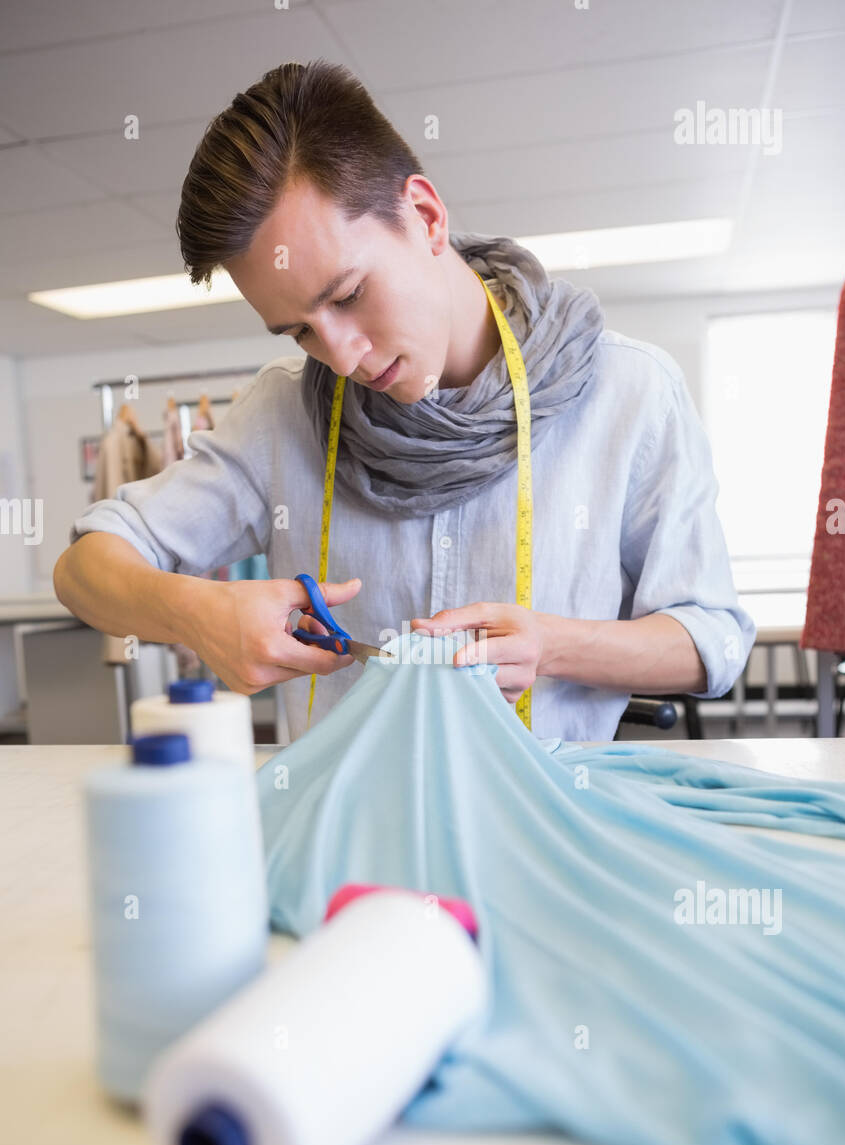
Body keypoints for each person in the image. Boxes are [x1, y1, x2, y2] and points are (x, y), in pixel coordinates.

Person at [54, 59, 755, 743]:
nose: (342, 355)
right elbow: (84, 568)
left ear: (424, 215)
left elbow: (711, 640)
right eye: (299, 330)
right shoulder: (281, 414)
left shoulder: (628, 394)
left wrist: (553, 645)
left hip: (542, 834)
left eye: (349, 295)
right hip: (342, 843)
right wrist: (194, 612)